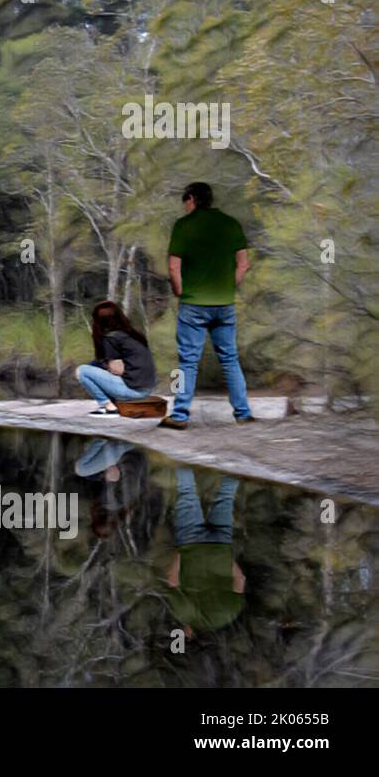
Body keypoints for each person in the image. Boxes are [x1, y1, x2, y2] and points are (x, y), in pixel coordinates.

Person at [159, 183, 254, 430]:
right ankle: (243, 413)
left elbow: (173, 267)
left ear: (191, 199)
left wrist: (180, 290)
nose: (185, 207)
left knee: (188, 362)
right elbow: (244, 264)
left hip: (193, 304)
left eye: (185, 201)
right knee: (230, 359)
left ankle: (180, 416)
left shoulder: (184, 225)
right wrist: (227, 288)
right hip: (224, 304)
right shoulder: (231, 224)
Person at [164, 466, 245, 638]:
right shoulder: (185, 615)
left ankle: (237, 458)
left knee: (227, 496)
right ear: (190, 634)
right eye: (183, 635)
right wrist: (180, 554)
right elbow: (172, 580)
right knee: (186, 492)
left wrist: (227, 558)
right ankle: (181, 452)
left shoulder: (226, 617)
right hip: (190, 544)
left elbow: (240, 580)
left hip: (220, 545)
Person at [75, 301, 157, 415]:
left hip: (133, 391)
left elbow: (118, 370)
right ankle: (111, 404)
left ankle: (108, 407)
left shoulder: (112, 337)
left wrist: (105, 366)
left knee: (82, 371)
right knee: (93, 365)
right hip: (146, 389)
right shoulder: (131, 334)